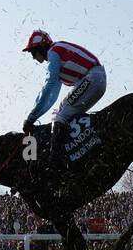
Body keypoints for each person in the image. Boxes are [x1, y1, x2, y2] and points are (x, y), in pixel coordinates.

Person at [20, 30, 107, 174]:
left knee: (60, 116)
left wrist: (31, 117)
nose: (33, 57)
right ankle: (79, 149)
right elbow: (53, 95)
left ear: (41, 47)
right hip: (95, 78)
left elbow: (48, 87)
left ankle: (55, 162)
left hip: (92, 78)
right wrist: (35, 116)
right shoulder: (58, 53)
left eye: (33, 52)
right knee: (60, 111)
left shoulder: (53, 53)